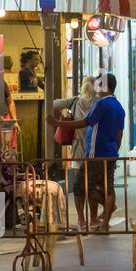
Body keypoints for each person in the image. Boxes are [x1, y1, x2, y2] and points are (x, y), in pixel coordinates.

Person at [48, 73, 125, 234]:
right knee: (108, 188)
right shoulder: (119, 106)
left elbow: (84, 122)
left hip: (95, 153)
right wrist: (115, 151)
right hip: (111, 154)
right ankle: (104, 225)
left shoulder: (101, 105)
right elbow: (119, 133)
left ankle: (102, 208)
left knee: (80, 187)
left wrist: (58, 123)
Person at [54, 76, 98, 231]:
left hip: (79, 150)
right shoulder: (99, 103)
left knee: (79, 186)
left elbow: (53, 104)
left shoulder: (75, 101)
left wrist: (67, 107)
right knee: (93, 186)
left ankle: (81, 218)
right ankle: (93, 218)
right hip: (95, 150)